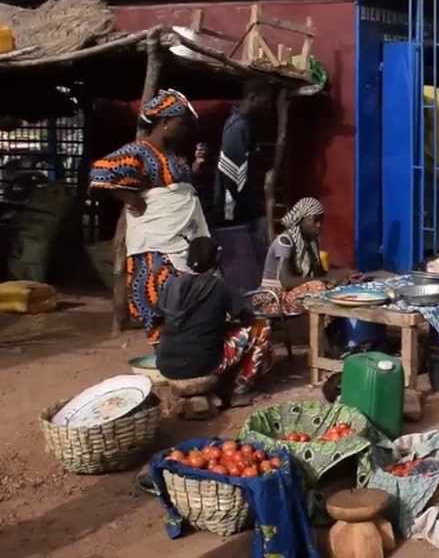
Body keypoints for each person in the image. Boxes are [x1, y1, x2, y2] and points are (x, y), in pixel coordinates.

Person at [91, 90, 210, 344]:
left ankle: (184, 356)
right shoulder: (140, 151)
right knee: (162, 298)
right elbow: (101, 171)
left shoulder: (174, 155)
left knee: (192, 299)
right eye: (181, 124)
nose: (185, 130)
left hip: (183, 237)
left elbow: (179, 188)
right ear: (164, 122)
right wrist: (130, 198)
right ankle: (167, 357)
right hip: (156, 243)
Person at [156, 237, 272, 400]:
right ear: (216, 258)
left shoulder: (170, 284)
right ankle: (240, 389)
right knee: (261, 327)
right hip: (202, 365)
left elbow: (160, 318)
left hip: (165, 365)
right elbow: (247, 318)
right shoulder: (218, 285)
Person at [211, 79, 276, 284]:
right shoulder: (238, 126)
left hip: (238, 209)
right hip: (235, 213)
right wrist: (240, 209)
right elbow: (232, 175)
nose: (268, 106)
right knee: (242, 269)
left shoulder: (242, 124)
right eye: (265, 101)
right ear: (253, 97)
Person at [258, 197, 332, 315]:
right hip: (274, 298)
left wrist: (342, 278)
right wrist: (322, 281)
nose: (319, 225)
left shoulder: (311, 243)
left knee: (335, 288)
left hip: (291, 294)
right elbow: (286, 281)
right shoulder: (285, 241)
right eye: (315, 220)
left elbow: (321, 275)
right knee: (318, 287)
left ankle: (328, 330)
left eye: (321, 221)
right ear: (301, 220)